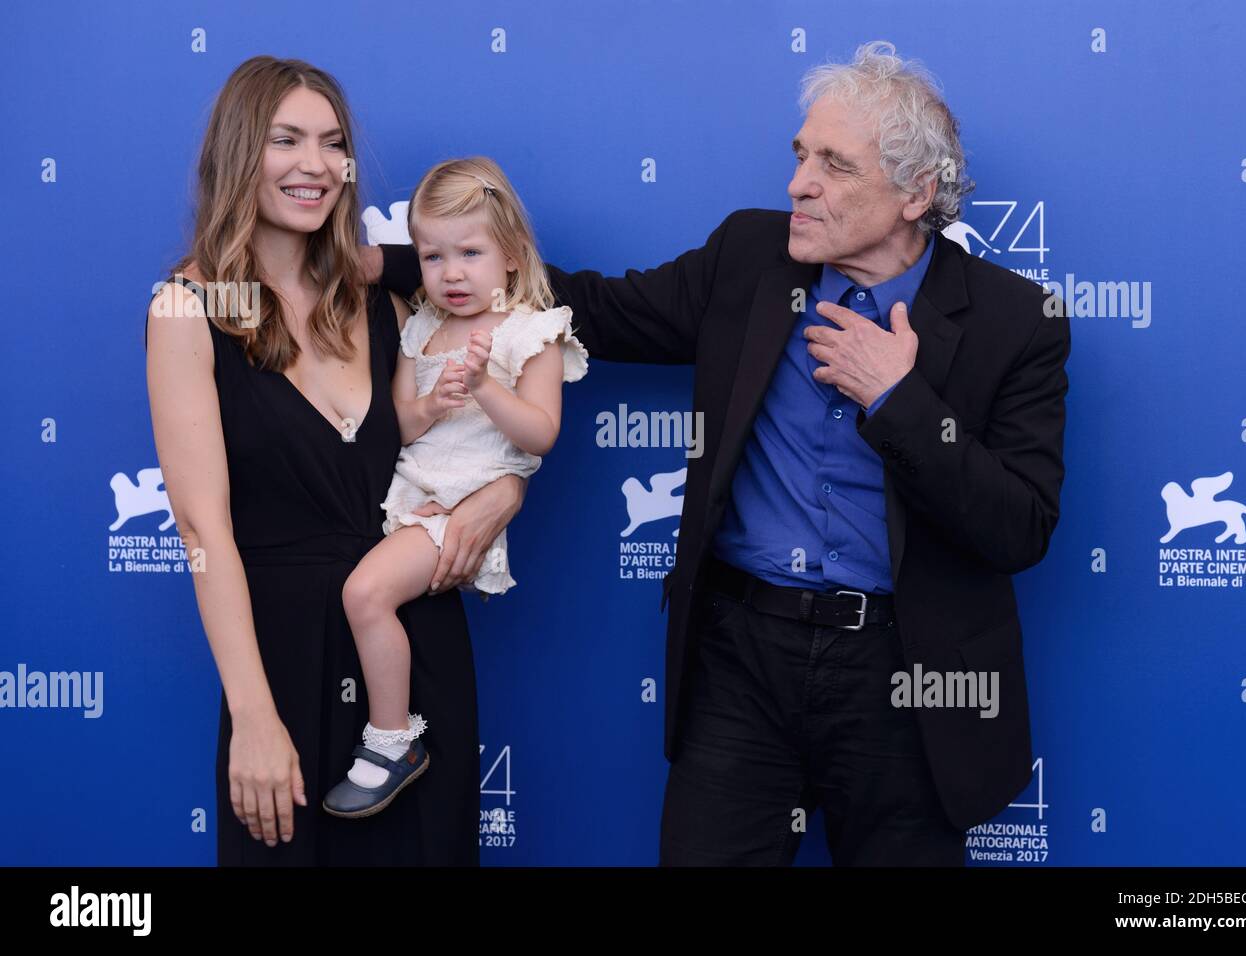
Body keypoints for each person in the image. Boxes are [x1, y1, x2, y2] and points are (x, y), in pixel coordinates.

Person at [372, 40, 1070, 865]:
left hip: (906, 678)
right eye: (800, 154)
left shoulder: (1015, 321)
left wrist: (898, 399)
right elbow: (594, 305)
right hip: (743, 659)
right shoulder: (750, 256)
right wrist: (373, 264)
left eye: (833, 166)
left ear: (916, 192)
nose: (797, 183)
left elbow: (1020, 527)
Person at [144, 56, 525, 865]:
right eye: (287, 140)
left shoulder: (390, 299)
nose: (314, 164)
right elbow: (200, 524)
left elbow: (505, 391)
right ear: (240, 152)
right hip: (278, 668)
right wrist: (252, 711)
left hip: (414, 660)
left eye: (332, 142)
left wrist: (503, 496)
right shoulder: (190, 307)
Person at [322, 158, 587, 819]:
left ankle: (391, 741)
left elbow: (541, 433)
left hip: (458, 511)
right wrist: (434, 404)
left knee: (364, 592)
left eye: (470, 252)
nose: (451, 272)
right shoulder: (420, 327)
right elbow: (399, 423)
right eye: (433, 256)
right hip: (408, 493)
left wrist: (485, 389)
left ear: (512, 254)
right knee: (356, 595)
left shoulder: (533, 330)